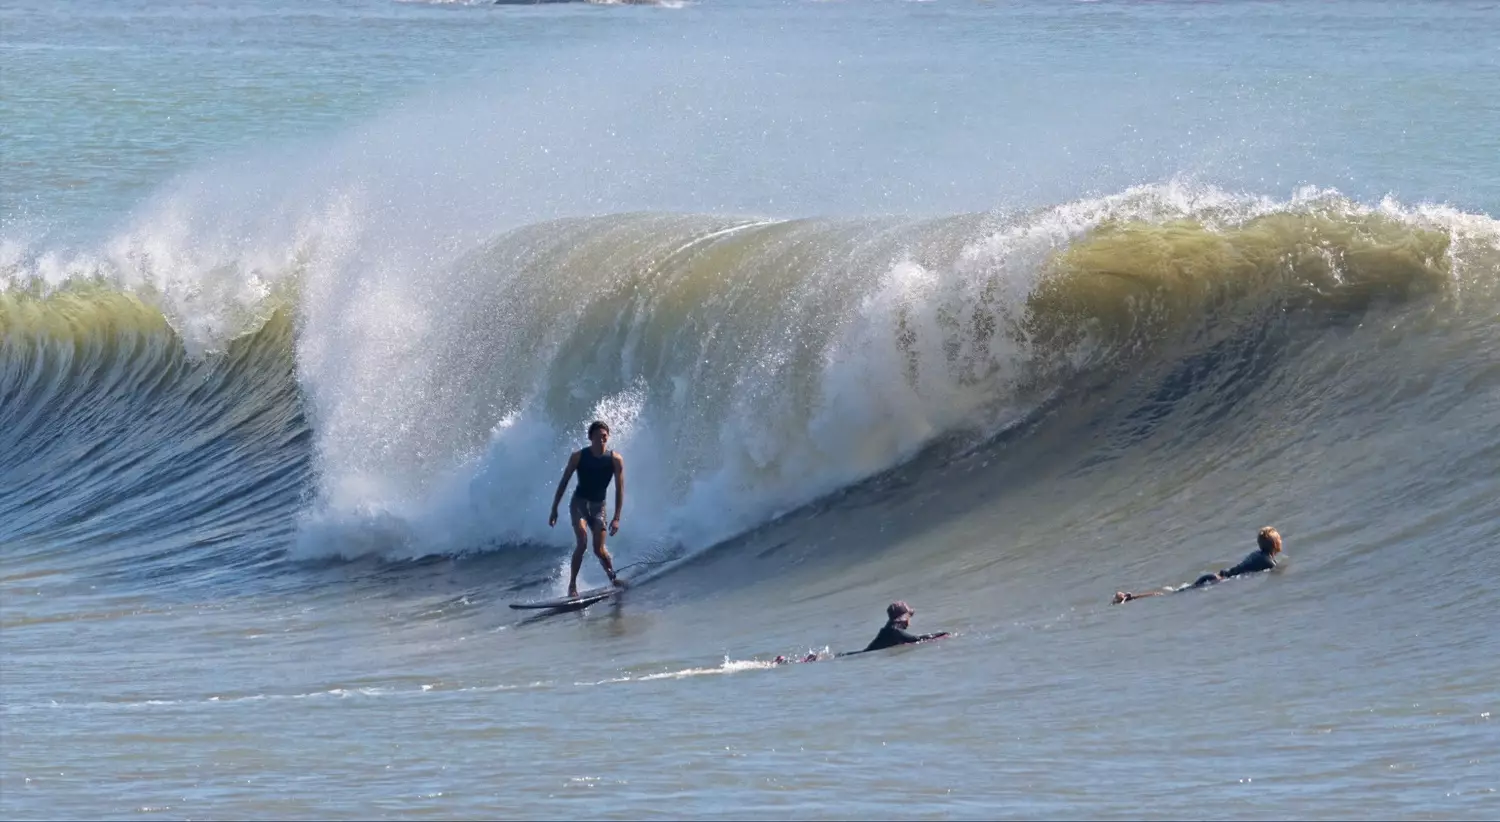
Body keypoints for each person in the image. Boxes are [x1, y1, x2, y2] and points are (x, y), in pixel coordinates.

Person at [548, 420, 626, 599]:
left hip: (599, 507)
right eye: (598, 436)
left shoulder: (615, 459)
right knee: (582, 542)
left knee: (599, 549)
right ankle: (572, 586)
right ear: (590, 438)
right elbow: (564, 482)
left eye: (604, 437)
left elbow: (620, 489)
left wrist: (616, 518)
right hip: (579, 505)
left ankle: (612, 578)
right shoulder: (578, 457)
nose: (601, 440)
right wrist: (554, 509)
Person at [1113, 526, 1284, 604]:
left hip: (1215, 577)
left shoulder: (1257, 554)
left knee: (1174, 592)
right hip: (1217, 582)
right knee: (1171, 595)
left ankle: (1131, 597)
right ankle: (1130, 597)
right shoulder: (1268, 562)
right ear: (1275, 544)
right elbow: (1276, 573)